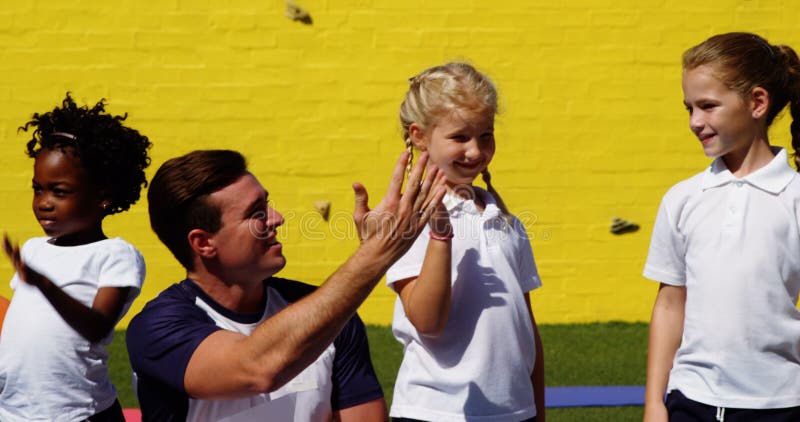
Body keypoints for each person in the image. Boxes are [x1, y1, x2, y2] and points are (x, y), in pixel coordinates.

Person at [126, 148, 447, 421]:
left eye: (268, 203)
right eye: (256, 213)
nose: (277, 217)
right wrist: (376, 252)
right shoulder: (157, 328)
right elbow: (257, 369)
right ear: (203, 243)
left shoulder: (331, 317)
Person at [643, 32, 800, 422]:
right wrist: (653, 403)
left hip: (780, 404)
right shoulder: (682, 199)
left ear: (757, 103)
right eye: (689, 109)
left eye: (708, 106)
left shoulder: (795, 197)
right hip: (690, 400)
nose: (696, 122)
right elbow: (669, 303)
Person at [385, 62, 545, 422]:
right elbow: (427, 321)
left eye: (485, 135)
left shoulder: (506, 220)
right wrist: (440, 234)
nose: (475, 151)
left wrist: (535, 408)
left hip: (512, 411)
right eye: (460, 137)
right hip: (435, 412)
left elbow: (526, 330)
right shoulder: (408, 219)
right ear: (420, 135)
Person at [0, 93, 151, 421]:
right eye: (38, 188)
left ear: (104, 198)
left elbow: (97, 326)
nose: (44, 202)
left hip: (79, 413)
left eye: (60, 191)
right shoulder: (33, 249)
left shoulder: (116, 255)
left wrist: (43, 283)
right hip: (15, 412)